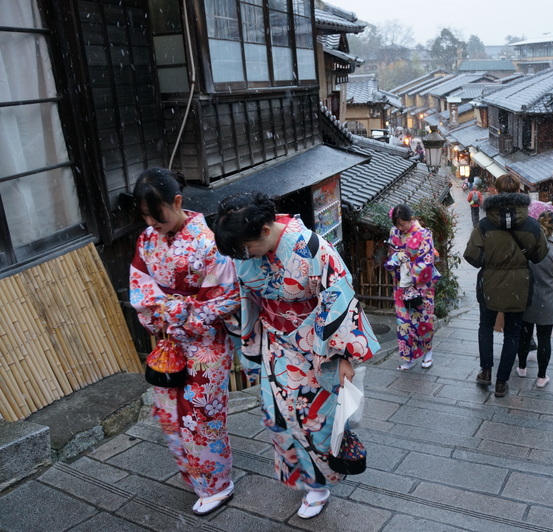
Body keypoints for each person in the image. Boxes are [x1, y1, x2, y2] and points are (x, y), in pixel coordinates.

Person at [213, 192, 379, 519]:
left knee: (313, 420)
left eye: (246, 249)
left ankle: (318, 485)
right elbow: (244, 296)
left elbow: (339, 298)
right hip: (275, 344)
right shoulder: (247, 249)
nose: (244, 257)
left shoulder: (312, 248)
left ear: (265, 230)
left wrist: (343, 355)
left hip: (317, 348)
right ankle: (301, 477)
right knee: (277, 416)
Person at [129, 167, 239, 516]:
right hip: (170, 341)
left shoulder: (209, 240)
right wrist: (163, 314)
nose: (151, 222)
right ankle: (194, 476)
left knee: (201, 413)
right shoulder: (147, 240)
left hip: (206, 341)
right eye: (145, 215)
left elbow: (226, 294)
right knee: (169, 411)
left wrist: (180, 313)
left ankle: (217, 485)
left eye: (156, 214)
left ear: (177, 201)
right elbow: (141, 287)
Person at [464, 174, 549, 398]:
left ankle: (486, 371)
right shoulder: (532, 224)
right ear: (519, 192)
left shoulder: (484, 224)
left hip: (490, 283)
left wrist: (490, 261)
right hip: (519, 285)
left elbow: (471, 256)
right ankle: (502, 382)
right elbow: (540, 254)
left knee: (486, 327)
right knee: (512, 333)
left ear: (496, 191)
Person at [516, 211, 553, 387]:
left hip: (526, 298)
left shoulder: (526, 246)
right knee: (544, 339)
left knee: (524, 336)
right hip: (547, 301)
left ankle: (522, 367)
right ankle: (541, 377)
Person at [385, 204, 441, 370]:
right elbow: (390, 254)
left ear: (411, 219)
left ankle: (427, 353)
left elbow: (427, 261)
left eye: (403, 224)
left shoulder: (424, 234)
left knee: (424, 320)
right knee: (404, 322)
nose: (401, 228)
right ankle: (407, 358)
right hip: (401, 285)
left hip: (421, 286)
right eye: (398, 225)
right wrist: (394, 260)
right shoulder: (394, 232)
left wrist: (406, 260)